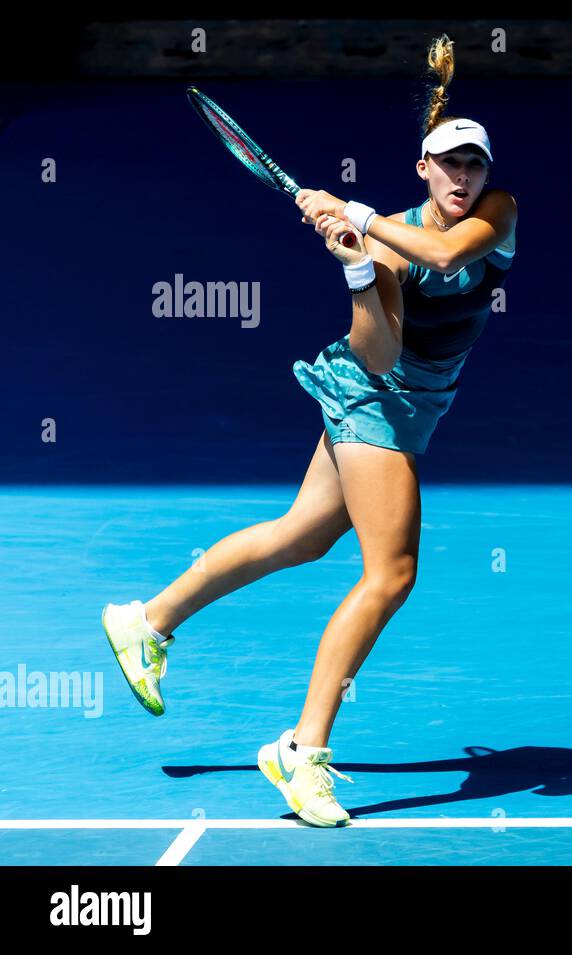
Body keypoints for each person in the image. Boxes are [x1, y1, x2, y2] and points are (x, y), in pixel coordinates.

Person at [101, 33, 518, 827]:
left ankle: (146, 621)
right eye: (450, 164)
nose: (465, 178)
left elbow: (443, 248)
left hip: (414, 403)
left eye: (475, 164)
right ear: (423, 168)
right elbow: (378, 351)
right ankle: (302, 750)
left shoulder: (495, 215)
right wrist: (359, 265)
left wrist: (359, 216)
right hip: (374, 400)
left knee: (301, 535)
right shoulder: (390, 247)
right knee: (391, 573)